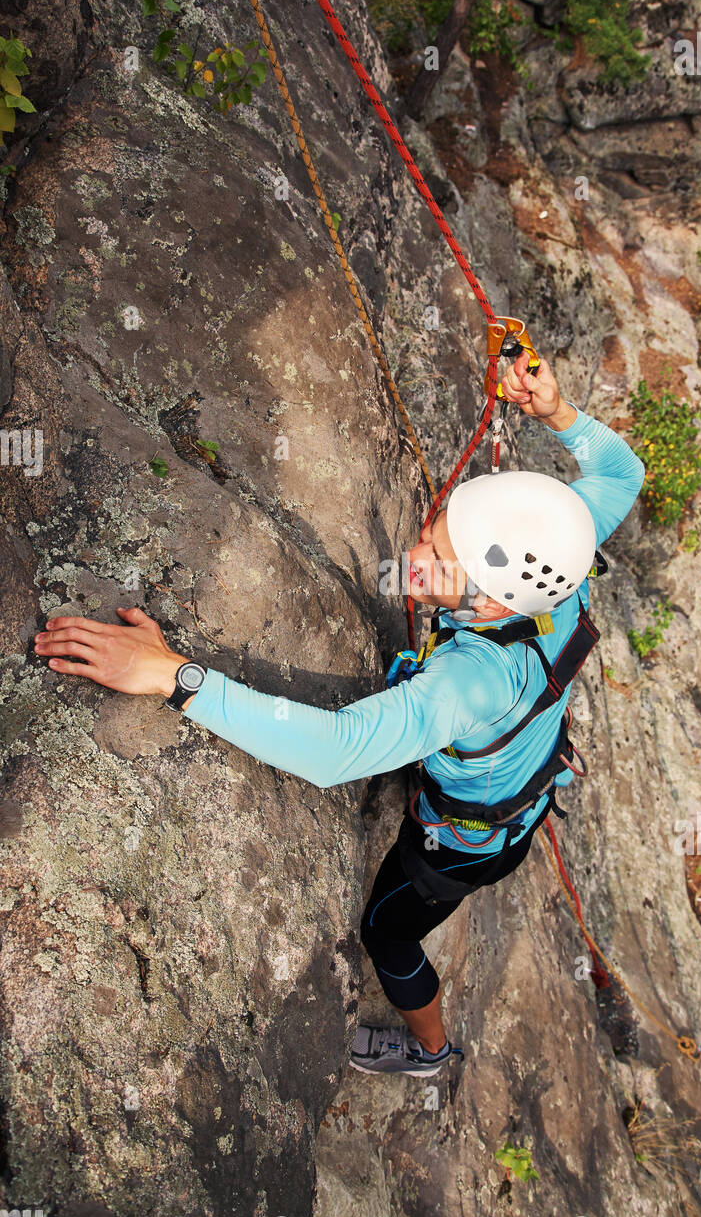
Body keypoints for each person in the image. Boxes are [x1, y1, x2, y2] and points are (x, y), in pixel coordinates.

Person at [32, 352, 645, 1077]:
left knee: (387, 936)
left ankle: (433, 1051)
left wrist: (172, 675)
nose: (415, 553)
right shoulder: (560, 561)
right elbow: (622, 475)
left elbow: (334, 751)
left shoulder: (469, 683)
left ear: (494, 603)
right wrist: (556, 412)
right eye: (434, 530)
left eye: (437, 558)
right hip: (522, 788)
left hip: (464, 843)